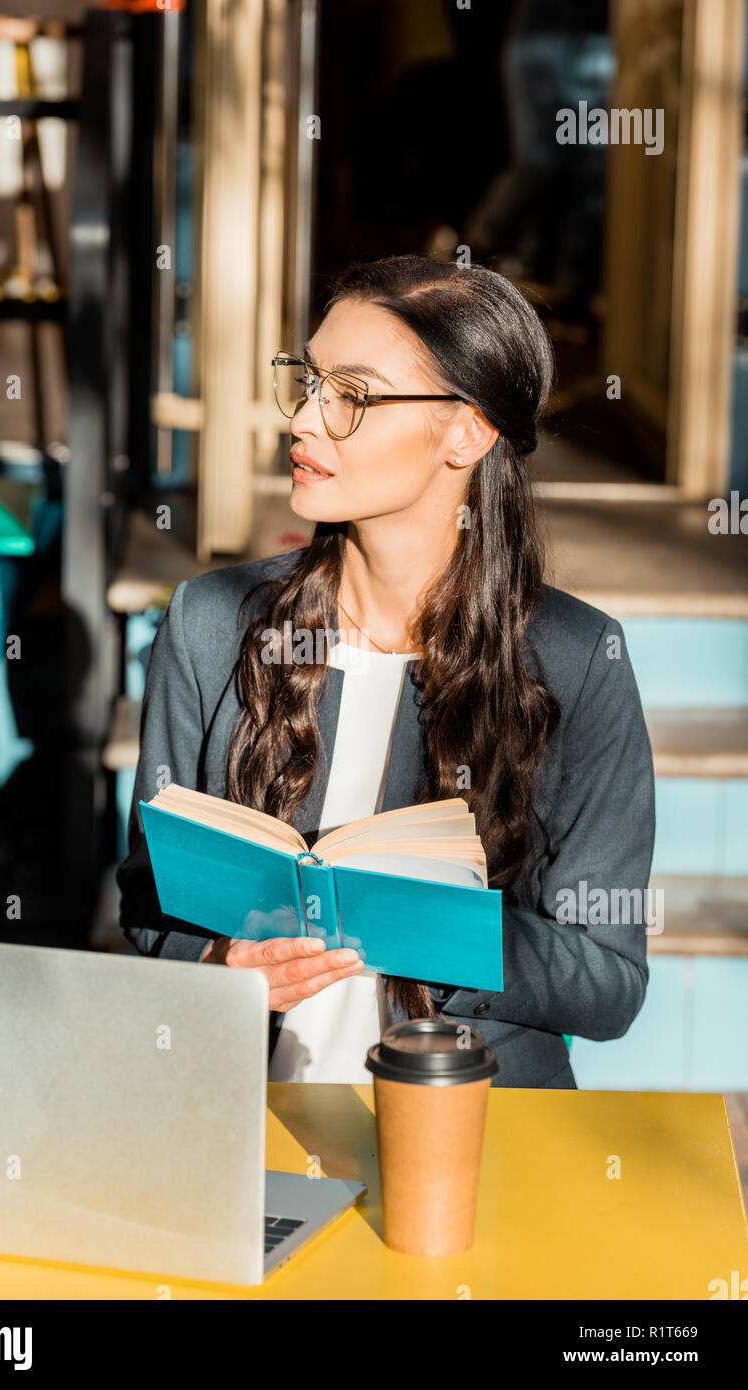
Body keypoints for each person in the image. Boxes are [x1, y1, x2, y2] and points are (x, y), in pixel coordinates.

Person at [117, 253, 655, 1088]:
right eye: (307, 381)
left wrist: (423, 930)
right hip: (236, 1111)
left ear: (466, 432)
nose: (303, 420)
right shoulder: (211, 622)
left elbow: (608, 983)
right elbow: (149, 893)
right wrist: (225, 961)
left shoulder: (575, 659)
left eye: (351, 396)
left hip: (470, 1123)